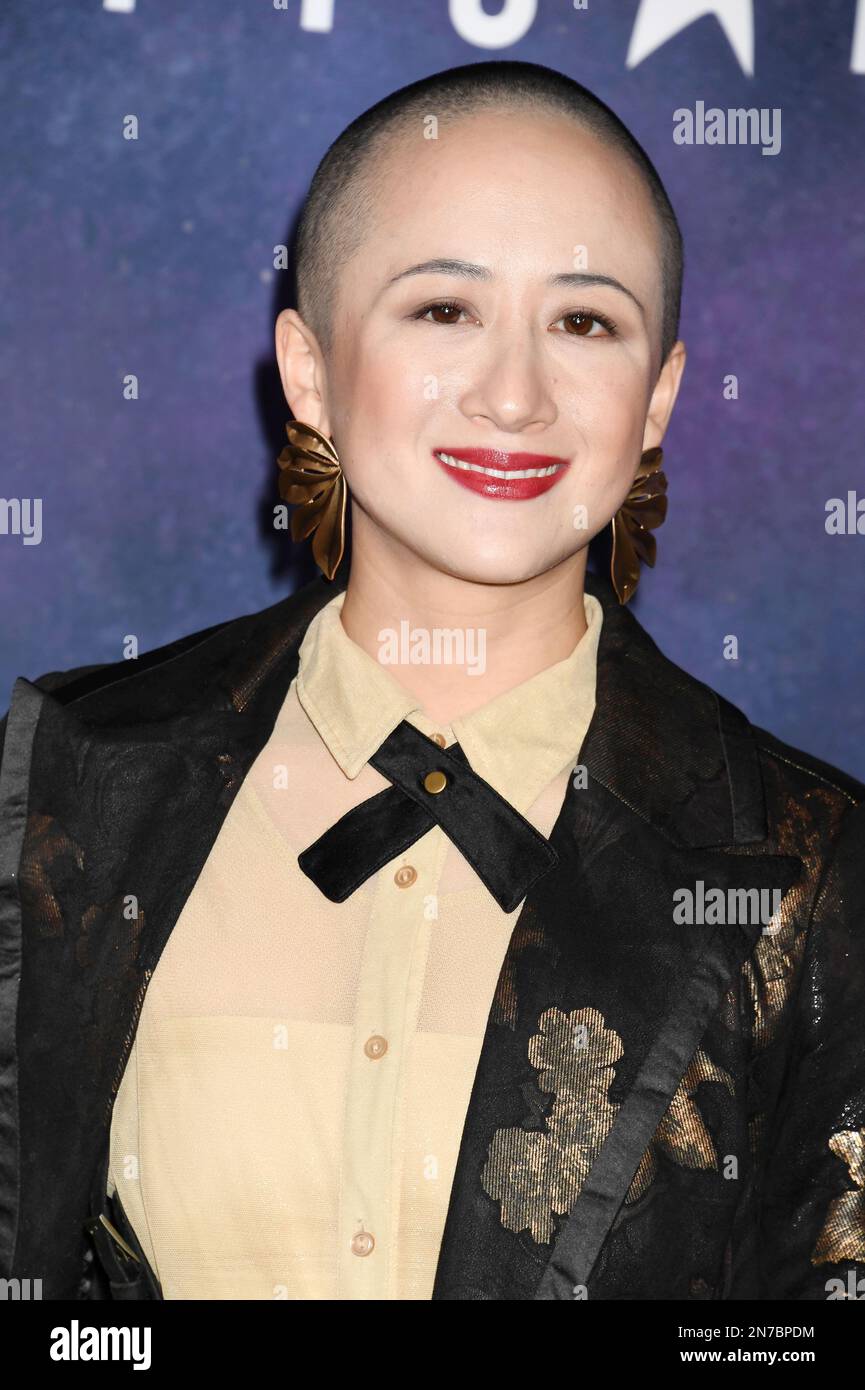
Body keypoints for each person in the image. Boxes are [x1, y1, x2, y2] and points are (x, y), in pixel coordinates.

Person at [1, 59, 863, 1303]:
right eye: (442, 310)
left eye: (584, 321)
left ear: (660, 396)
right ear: (309, 373)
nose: (514, 395)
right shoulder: (68, 780)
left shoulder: (810, 872)